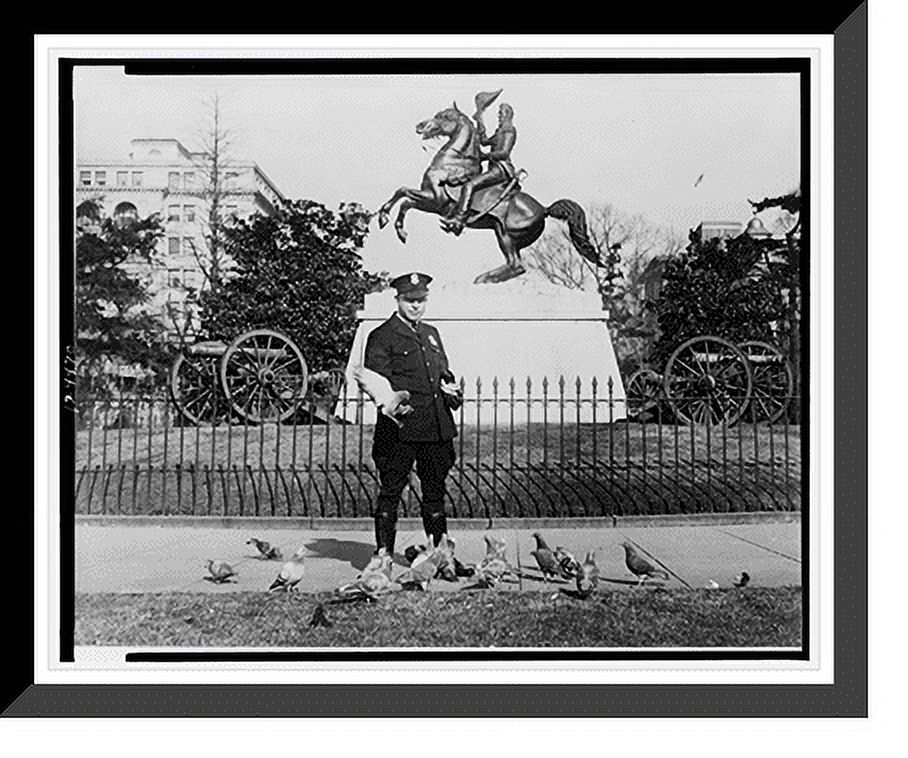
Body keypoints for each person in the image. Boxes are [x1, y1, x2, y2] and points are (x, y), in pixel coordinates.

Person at [364, 272, 463, 557]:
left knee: (435, 493)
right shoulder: (382, 336)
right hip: (401, 431)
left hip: (434, 428)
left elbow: (443, 374)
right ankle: (383, 559)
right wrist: (395, 404)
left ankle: (440, 557)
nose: (416, 306)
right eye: (410, 300)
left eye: (421, 300)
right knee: (391, 493)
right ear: (397, 300)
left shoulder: (431, 334)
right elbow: (378, 384)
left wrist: (451, 389)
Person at [448, 102, 518, 234]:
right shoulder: (500, 131)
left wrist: (485, 156)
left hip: (501, 169)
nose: (499, 116)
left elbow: (504, 153)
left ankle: (459, 220)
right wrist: (479, 120)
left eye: (501, 113)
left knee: (469, 185)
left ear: (507, 114)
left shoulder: (509, 130)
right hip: (494, 168)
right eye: (499, 114)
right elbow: (485, 141)